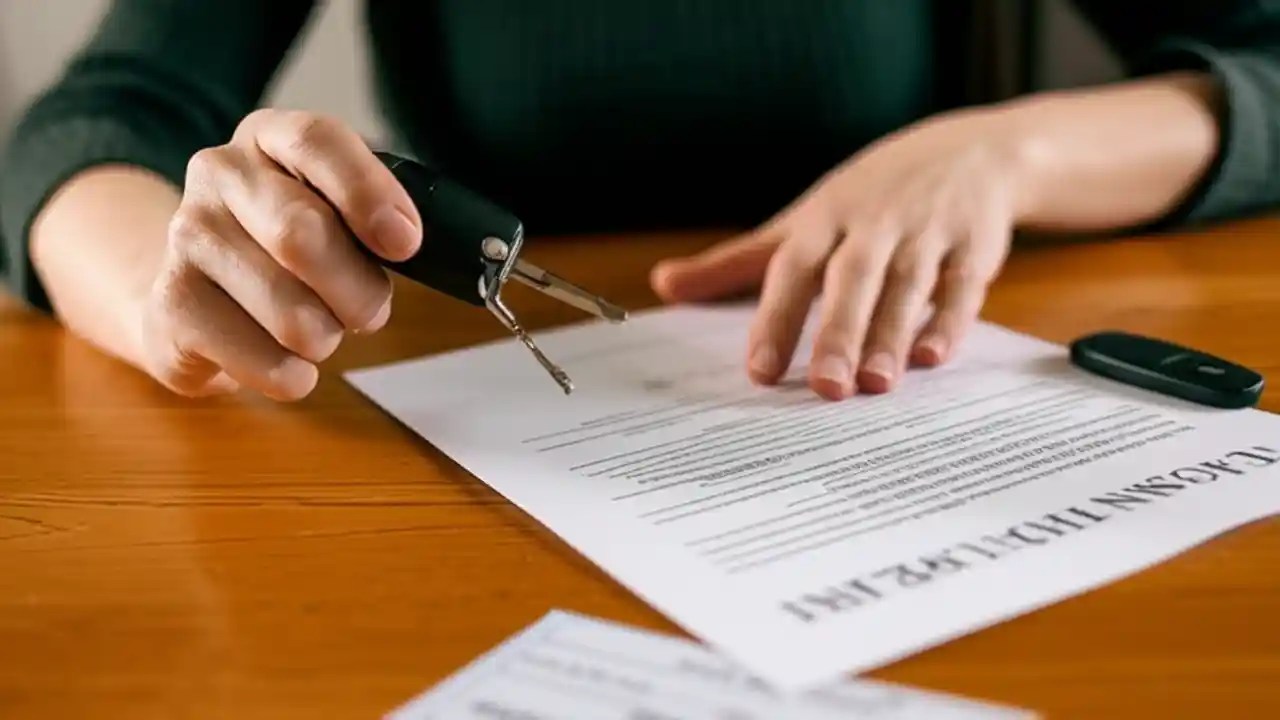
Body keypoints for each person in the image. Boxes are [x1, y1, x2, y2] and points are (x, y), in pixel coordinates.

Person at [1, 1, 1276, 403]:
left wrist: (1008, 154)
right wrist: (176, 300)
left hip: (906, 398)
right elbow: (92, 122)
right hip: (478, 463)